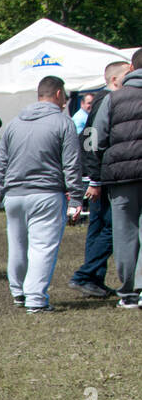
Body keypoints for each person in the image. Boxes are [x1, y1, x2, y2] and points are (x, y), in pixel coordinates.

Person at [0, 75, 81, 313]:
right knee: (42, 247)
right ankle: (35, 299)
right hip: (47, 193)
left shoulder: (13, 123)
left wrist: (3, 191)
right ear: (58, 94)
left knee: (17, 246)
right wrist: (75, 197)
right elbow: (71, 164)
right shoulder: (64, 123)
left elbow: (1, 162)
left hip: (14, 195)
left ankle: (19, 292)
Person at [85, 48, 142, 310]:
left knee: (124, 232)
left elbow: (94, 138)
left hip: (119, 177)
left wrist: (96, 173)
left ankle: (128, 292)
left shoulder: (113, 99)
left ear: (131, 68)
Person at [71, 60, 131, 298]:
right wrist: (95, 179)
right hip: (103, 176)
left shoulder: (101, 101)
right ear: (114, 80)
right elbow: (90, 141)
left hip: (100, 174)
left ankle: (92, 278)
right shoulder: (107, 101)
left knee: (98, 228)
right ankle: (85, 275)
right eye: (127, 75)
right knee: (112, 227)